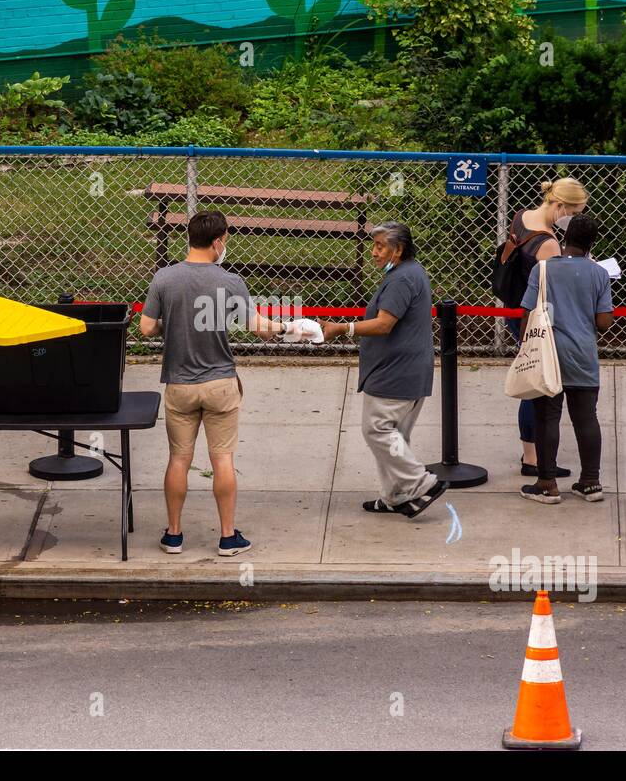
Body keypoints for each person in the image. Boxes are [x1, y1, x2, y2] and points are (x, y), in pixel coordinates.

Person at [139, 210, 305, 556]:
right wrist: (290, 328)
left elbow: (146, 328)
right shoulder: (230, 282)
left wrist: (168, 324)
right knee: (222, 460)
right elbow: (258, 327)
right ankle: (228, 537)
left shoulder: (164, 279)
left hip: (179, 385)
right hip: (220, 383)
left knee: (179, 459)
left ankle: (174, 534)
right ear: (218, 241)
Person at [322, 223, 447, 518]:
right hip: (410, 369)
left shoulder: (402, 279)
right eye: (374, 245)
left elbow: (383, 324)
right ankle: (396, 495)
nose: (374, 252)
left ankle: (420, 482)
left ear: (398, 249)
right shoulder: (410, 272)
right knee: (395, 435)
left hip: (395, 372)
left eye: (380, 246)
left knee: (377, 430)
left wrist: (343, 328)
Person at [518, 213, 613, 505]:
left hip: (549, 353)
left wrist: (525, 345)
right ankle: (590, 482)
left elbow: (527, 312)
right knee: (586, 418)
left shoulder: (543, 270)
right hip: (583, 354)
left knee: (547, 417)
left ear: (564, 237)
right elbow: (604, 322)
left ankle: (547, 483)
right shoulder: (599, 273)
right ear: (591, 244)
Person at [504, 178, 588, 479]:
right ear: (560, 206)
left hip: (516, 309)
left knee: (532, 377)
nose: (574, 219)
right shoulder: (550, 242)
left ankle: (530, 452)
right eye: (574, 212)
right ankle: (534, 458)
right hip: (539, 317)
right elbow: (557, 284)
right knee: (538, 383)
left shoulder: (522, 216)